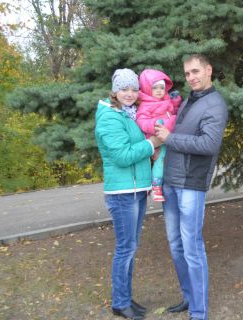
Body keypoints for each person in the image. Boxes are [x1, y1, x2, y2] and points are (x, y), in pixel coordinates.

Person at [154, 54, 228, 320]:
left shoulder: (215, 104)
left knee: (192, 247)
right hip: (171, 182)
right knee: (176, 244)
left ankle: (199, 312)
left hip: (191, 185)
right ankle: (188, 298)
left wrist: (170, 139)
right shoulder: (189, 100)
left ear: (209, 70)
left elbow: (208, 145)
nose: (191, 77)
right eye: (187, 74)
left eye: (195, 71)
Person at [94, 68, 162, 320]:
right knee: (126, 248)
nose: (130, 94)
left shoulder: (127, 114)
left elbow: (134, 149)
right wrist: (152, 144)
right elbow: (123, 157)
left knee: (130, 247)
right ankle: (120, 303)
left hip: (135, 189)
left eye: (134, 89)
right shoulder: (110, 117)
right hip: (123, 193)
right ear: (115, 91)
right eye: (124, 89)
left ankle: (125, 297)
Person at [136, 69, 182, 202]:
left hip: (168, 135)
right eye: (155, 87)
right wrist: (155, 125)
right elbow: (142, 121)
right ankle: (156, 187)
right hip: (156, 137)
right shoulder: (146, 104)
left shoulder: (166, 100)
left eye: (162, 88)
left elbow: (172, 111)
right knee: (160, 160)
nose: (159, 90)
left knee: (170, 160)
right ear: (147, 88)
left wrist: (175, 101)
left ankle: (169, 182)